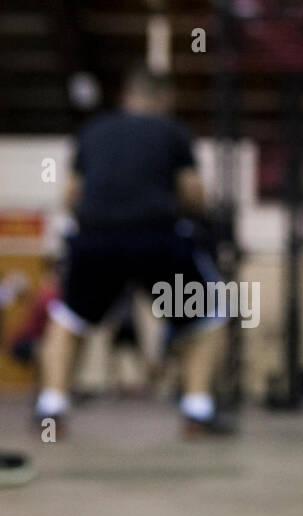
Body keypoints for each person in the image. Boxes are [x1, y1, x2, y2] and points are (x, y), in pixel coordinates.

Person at [35, 66, 233, 437]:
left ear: (126, 98)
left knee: (68, 319)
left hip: (94, 240)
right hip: (156, 239)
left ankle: (51, 408)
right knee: (208, 317)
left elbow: (69, 196)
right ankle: (197, 411)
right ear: (165, 100)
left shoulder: (92, 131)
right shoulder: (172, 131)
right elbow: (192, 192)